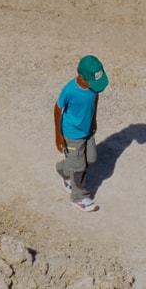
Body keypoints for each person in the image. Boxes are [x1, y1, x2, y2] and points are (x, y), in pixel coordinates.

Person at [54, 54, 109, 212]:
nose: (96, 86)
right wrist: (58, 135)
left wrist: (94, 120)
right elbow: (57, 109)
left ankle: (62, 170)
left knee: (91, 158)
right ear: (81, 76)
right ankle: (79, 198)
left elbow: (95, 98)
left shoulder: (93, 88)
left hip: (87, 130)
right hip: (72, 134)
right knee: (79, 166)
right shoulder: (69, 90)